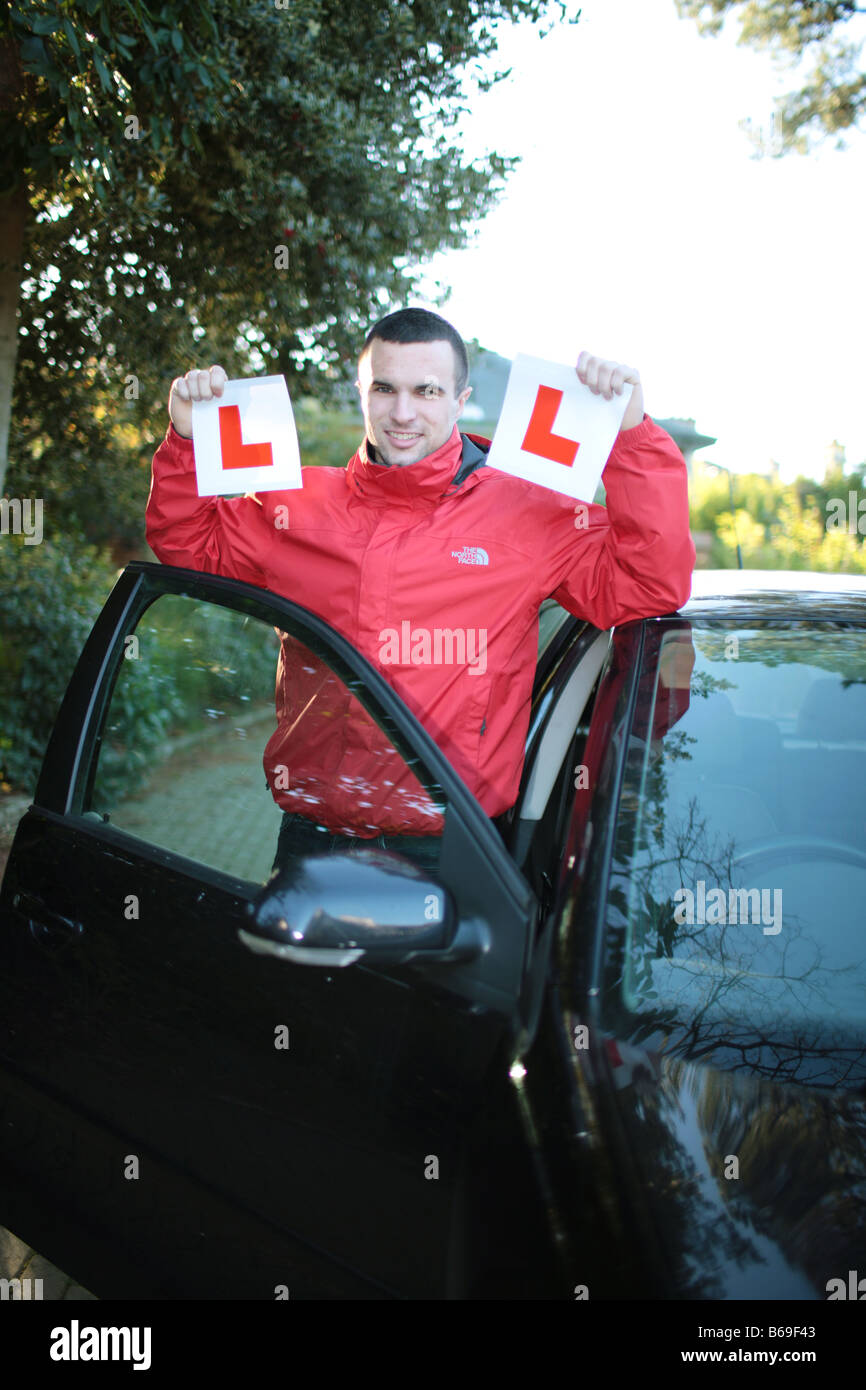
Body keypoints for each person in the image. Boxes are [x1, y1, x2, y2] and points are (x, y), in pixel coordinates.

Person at [146, 307, 695, 862]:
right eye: (384, 388)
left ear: (459, 400)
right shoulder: (297, 506)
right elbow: (189, 544)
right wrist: (187, 437)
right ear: (361, 389)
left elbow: (648, 582)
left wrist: (631, 437)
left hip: (453, 854)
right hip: (310, 845)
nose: (402, 413)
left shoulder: (528, 515)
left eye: (426, 391)